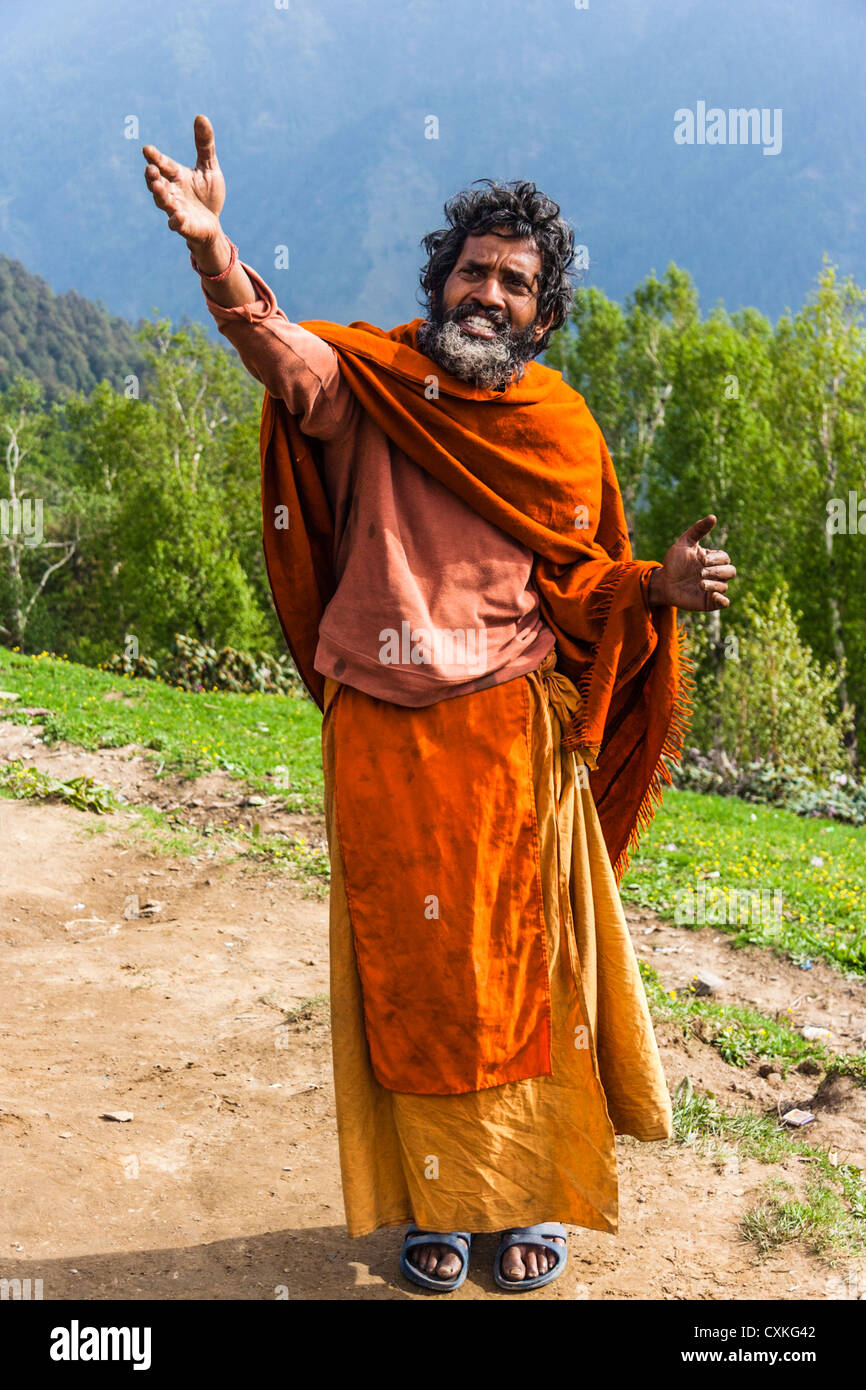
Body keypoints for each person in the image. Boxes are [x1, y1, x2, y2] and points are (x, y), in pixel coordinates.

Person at [142, 115, 736, 1293]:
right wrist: (217, 253)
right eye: (471, 269)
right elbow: (280, 353)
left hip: (505, 737)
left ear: (542, 316)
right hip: (380, 737)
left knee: (520, 977)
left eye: (516, 281)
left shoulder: (554, 431)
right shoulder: (371, 386)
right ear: (438, 283)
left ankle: (524, 1198)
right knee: (407, 978)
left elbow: (577, 586)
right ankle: (429, 1202)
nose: (489, 291)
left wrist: (654, 586)